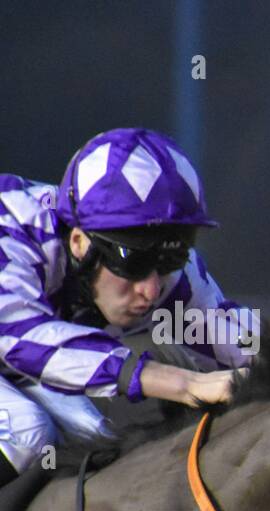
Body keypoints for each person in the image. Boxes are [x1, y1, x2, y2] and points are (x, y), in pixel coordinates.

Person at [0, 127, 253, 488]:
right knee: (25, 431)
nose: (150, 289)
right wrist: (186, 383)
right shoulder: (9, 235)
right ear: (79, 243)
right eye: (132, 262)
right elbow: (23, 340)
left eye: (169, 258)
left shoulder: (167, 279)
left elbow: (239, 344)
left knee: (94, 439)